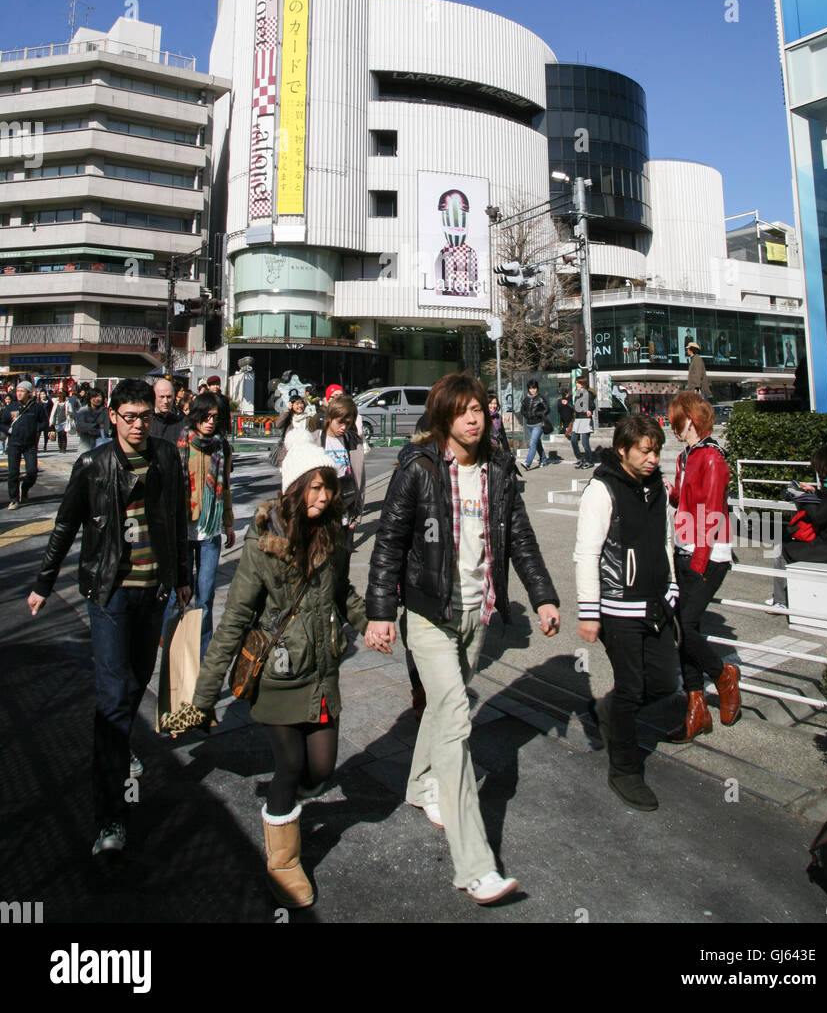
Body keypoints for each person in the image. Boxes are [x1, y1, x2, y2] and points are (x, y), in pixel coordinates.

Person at [366, 372, 561, 905]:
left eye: (479, 409)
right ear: (443, 417)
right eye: (462, 410)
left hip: (478, 612)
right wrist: (381, 612)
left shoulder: (499, 469)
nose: (473, 418)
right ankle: (475, 865)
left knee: (442, 706)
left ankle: (416, 785)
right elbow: (388, 544)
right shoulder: (419, 470)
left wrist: (544, 595)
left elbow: (520, 536)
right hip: (429, 614)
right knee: (456, 718)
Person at [173, 437, 372, 908]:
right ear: (296, 487)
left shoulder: (335, 535)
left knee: (320, 769)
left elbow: (343, 591)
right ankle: (282, 862)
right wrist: (203, 698)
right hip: (279, 676)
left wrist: (374, 623)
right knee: (290, 765)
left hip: (323, 670)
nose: (325, 497)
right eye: (317, 488)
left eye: (330, 488)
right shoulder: (263, 547)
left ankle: (283, 808)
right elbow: (234, 621)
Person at [27, 378, 189, 856]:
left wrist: (180, 575)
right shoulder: (93, 465)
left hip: (153, 592)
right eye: (131, 416)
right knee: (113, 701)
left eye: (145, 416)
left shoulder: (165, 456)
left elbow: (176, 518)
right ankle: (111, 820)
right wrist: (43, 582)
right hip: (110, 594)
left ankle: (123, 748)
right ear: (113, 417)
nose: (140, 425)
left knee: (138, 680)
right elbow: (64, 525)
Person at [574, 414, 682, 813]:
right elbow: (586, 553)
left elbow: (666, 539)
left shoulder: (657, 487)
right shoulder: (602, 490)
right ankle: (624, 768)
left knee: (664, 684)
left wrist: (671, 586)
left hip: (656, 602)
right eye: (645, 451)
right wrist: (589, 612)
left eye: (657, 451)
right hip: (617, 606)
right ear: (623, 450)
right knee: (632, 688)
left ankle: (607, 709)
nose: (653, 459)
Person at [664, 393, 740, 742]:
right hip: (685, 547)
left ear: (690, 420)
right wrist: (672, 491)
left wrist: (697, 563)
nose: (673, 426)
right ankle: (696, 708)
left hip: (708, 554)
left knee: (686, 626)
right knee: (684, 629)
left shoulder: (711, 457)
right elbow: (685, 499)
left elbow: (711, 513)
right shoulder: (686, 456)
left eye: (676, 420)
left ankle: (723, 674)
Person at [174, 394, 236, 657]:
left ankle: (202, 652)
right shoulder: (181, 445)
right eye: (206, 417)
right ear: (196, 416)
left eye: (215, 418)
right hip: (184, 528)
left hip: (210, 530)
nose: (210, 423)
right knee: (181, 593)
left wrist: (229, 523)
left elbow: (226, 487)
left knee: (206, 593)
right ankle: (176, 643)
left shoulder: (221, 448)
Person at [770, 445, 827, 608]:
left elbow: (819, 517)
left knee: (783, 550)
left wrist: (803, 496)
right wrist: (812, 492)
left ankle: (780, 602)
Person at [309, 393, 365, 552]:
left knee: (342, 569)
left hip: (345, 516)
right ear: (329, 418)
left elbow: (360, 479)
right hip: (320, 518)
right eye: (340, 422)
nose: (344, 428)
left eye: (348, 423)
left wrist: (356, 515)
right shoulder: (315, 440)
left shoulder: (353, 442)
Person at [6, 380, 50, 508]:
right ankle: (14, 499)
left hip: (30, 444)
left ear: (29, 393)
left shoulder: (36, 408)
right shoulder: (11, 407)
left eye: (22, 391)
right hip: (14, 444)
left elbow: (44, 422)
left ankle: (24, 488)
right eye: (18, 391)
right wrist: (8, 429)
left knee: (32, 472)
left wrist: (36, 429)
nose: (19, 393)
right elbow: (2, 422)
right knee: (13, 472)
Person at [520, 378, 550, 471]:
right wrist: (527, 415)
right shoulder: (526, 399)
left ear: (537, 388)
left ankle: (527, 463)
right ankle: (543, 460)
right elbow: (522, 410)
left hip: (538, 424)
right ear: (528, 389)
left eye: (534, 388)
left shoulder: (540, 398)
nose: (533, 390)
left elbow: (547, 409)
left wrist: (538, 414)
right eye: (531, 388)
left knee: (532, 443)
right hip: (529, 425)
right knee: (537, 443)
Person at [149, 377, 185, 443]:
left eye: (169, 397)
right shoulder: (147, 419)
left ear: (174, 396)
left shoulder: (182, 420)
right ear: (154, 397)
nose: (165, 401)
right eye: (161, 397)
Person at [571, 378, 595, 469]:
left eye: (577, 383)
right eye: (576, 383)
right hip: (577, 419)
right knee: (573, 440)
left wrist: (590, 410)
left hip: (585, 419)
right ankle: (580, 458)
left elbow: (592, 405)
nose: (576, 384)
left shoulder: (588, 394)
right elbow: (576, 407)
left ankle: (589, 460)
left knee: (585, 442)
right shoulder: (577, 394)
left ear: (582, 383)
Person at [205, 374, 232, 439]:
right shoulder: (204, 398)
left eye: (217, 384)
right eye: (213, 385)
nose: (215, 387)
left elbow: (227, 414)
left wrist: (228, 427)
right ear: (208, 386)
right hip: (208, 426)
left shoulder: (224, 399)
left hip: (221, 428)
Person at [48, 388, 71, 452]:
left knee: (64, 434)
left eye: (60, 397)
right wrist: (52, 422)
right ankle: (60, 447)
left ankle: (64, 448)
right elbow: (53, 413)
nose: (58, 398)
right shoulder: (56, 403)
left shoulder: (67, 403)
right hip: (58, 422)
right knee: (59, 435)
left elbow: (70, 411)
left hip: (65, 421)